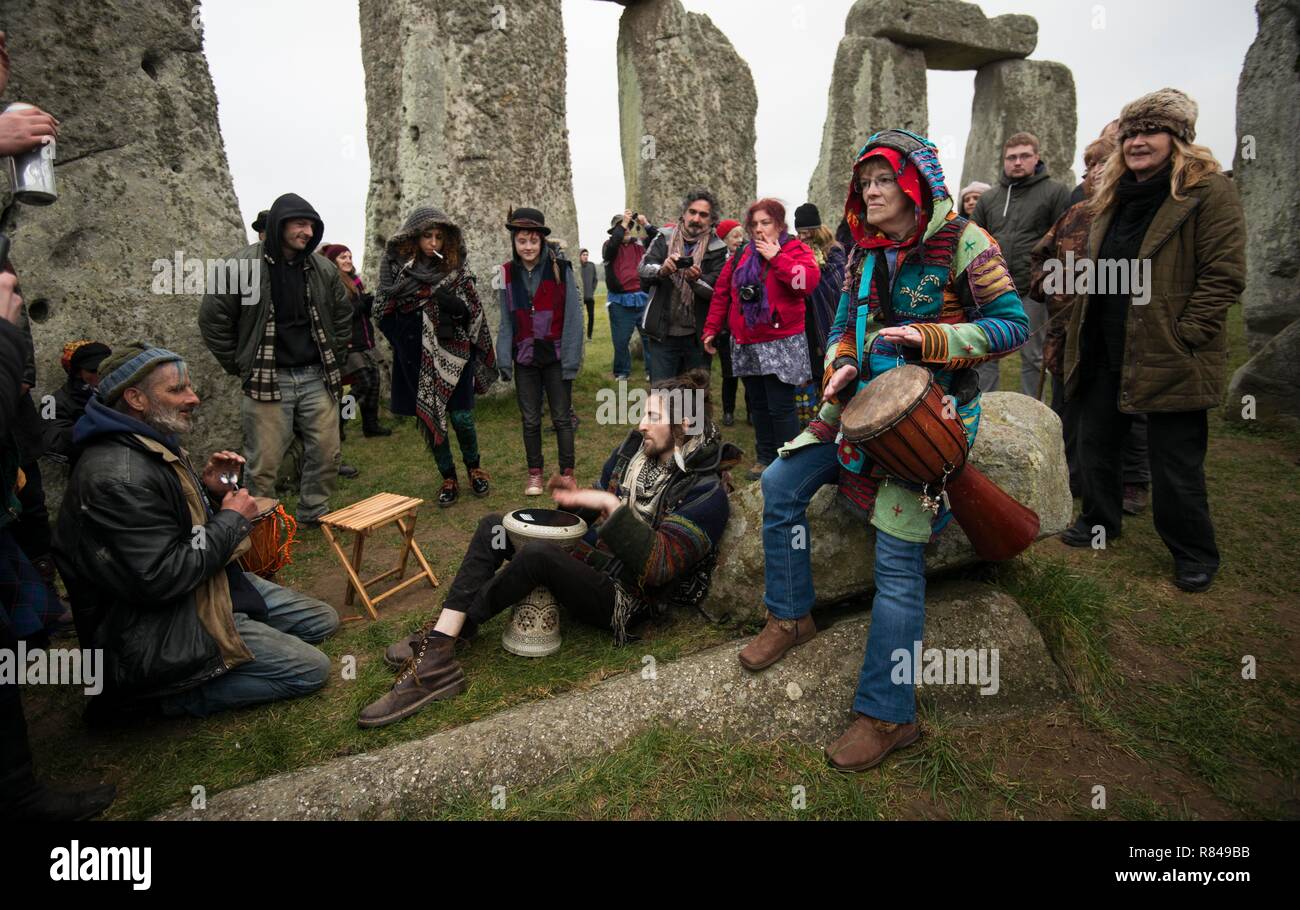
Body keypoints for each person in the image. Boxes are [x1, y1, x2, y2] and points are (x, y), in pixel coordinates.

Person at [742, 129, 1028, 771]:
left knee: (898, 564)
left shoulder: (967, 242)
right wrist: (840, 368)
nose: (869, 191)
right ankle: (791, 616)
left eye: (882, 180)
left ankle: (889, 715)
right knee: (781, 485)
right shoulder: (863, 253)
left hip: (931, 419)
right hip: (855, 411)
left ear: (914, 185)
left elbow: (1013, 324)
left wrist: (929, 338)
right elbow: (843, 326)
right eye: (864, 181)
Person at [358, 369, 738, 727]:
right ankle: (444, 640)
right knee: (496, 526)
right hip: (596, 560)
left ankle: (443, 645)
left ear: (685, 424)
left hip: (628, 598)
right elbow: (591, 511)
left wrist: (609, 507)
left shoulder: (707, 493)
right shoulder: (635, 452)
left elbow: (659, 567)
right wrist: (574, 503)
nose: (640, 424)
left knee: (539, 556)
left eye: (652, 416)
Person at [52, 344, 340, 720]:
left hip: (206, 585)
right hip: (159, 624)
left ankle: (239, 629)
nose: (194, 398)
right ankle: (146, 701)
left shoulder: (147, 440)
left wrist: (208, 493)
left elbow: (169, 526)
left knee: (323, 621)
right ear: (135, 398)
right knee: (309, 670)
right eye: (177, 390)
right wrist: (232, 520)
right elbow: (161, 576)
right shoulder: (116, 476)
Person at [1059, 89, 1245, 594]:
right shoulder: (1114, 196)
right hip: (1104, 341)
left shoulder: (1207, 192)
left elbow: (1223, 275)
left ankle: (1192, 552)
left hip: (1169, 347)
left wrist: (1189, 333)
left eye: (1151, 131)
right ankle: (1099, 523)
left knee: (1175, 460)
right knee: (1098, 443)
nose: (1138, 142)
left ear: (1178, 137)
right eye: (1132, 133)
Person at [0, 260, 116, 821]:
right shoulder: (73, 413)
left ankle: (43, 657)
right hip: (75, 502)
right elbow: (51, 434)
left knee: (40, 576)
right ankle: (102, 694)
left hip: (25, 497)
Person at [199, 193, 352, 528]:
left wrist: (335, 357)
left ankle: (314, 513)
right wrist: (240, 365)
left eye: (311, 224)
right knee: (263, 462)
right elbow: (213, 321)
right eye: (299, 223)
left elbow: (343, 315)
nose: (308, 231)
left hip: (316, 375)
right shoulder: (240, 267)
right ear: (279, 224)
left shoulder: (321, 267)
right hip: (267, 377)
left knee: (327, 453)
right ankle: (261, 523)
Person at [1030, 135, 1150, 508]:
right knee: (1069, 408)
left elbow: (1148, 276)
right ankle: (1070, 477)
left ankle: (1132, 480)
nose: (1095, 172)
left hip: (1121, 334)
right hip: (1067, 333)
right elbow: (1040, 258)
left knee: (1127, 411)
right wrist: (1051, 284)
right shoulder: (1076, 214)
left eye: (1103, 163)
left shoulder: (1140, 214)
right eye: (1090, 165)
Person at [375, 207, 497, 506]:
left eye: (438, 237)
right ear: (414, 238)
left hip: (456, 353)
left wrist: (457, 307)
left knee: (462, 417)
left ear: (448, 240)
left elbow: (474, 312)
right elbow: (381, 310)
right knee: (434, 421)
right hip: (416, 358)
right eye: (426, 236)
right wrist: (405, 340)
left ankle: (475, 468)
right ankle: (448, 477)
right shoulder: (397, 271)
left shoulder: (457, 269)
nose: (433, 242)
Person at [703, 199, 820, 480]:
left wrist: (777, 257)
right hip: (746, 341)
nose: (759, 229)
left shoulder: (795, 249)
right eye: (754, 224)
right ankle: (765, 457)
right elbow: (722, 292)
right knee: (757, 405)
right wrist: (711, 327)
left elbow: (806, 284)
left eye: (765, 223)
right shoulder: (743, 253)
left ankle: (790, 463)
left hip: (781, 341)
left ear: (779, 224)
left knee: (780, 406)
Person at [970, 132, 1072, 396]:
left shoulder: (1056, 192)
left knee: (1033, 356)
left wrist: (1052, 283)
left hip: (1033, 289)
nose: (1017, 162)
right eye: (1011, 157)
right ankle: (986, 405)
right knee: (987, 351)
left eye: (1024, 156)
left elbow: (1064, 240)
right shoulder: (989, 198)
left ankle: (1030, 411)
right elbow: (973, 241)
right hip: (993, 288)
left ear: (1036, 158)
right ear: (1003, 161)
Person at [495, 207, 584, 496]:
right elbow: (506, 318)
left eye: (533, 241)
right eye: (522, 241)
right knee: (530, 419)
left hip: (555, 356)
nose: (528, 247)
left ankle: (567, 474)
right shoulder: (507, 274)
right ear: (514, 242)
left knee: (561, 417)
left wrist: (571, 359)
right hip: (525, 358)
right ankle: (535, 474)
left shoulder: (562, 268)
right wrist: (504, 359)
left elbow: (572, 316)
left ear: (542, 241)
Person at [638, 188, 728, 381]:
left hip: (697, 336)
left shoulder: (718, 249)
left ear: (712, 220)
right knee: (661, 395)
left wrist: (695, 281)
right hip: (663, 332)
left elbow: (719, 292)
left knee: (693, 400)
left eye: (703, 215)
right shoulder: (664, 237)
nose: (696, 219)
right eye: (692, 212)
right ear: (684, 213)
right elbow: (643, 267)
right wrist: (662, 270)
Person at [322, 243, 390, 438]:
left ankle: (371, 425)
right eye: (343, 257)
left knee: (374, 383)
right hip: (350, 343)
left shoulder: (354, 281)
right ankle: (341, 421)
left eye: (350, 257)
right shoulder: (333, 282)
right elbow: (341, 313)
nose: (348, 260)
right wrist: (362, 304)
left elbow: (360, 311)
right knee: (362, 385)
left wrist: (367, 304)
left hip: (365, 340)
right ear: (333, 261)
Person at [795, 202, 849, 425]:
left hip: (825, 320)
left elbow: (835, 285)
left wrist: (814, 271)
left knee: (824, 366)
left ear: (816, 229)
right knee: (807, 368)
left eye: (807, 232)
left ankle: (831, 416)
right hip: (804, 323)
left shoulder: (834, 251)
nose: (803, 237)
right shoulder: (796, 249)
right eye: (800, 232)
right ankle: (809, 418)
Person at [601, 210, 656, 380]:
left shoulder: (640, 244)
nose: (626, 230)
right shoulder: (608, 246)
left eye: (628, 226)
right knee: (621, 340)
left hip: (642, 298)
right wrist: (623, 222)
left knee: (649, 338)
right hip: (620, 302)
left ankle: (651, 371)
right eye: (622, 228)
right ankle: (622, 372)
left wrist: (645, 223)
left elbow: (659, 239)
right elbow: (612, 245)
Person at [41, 339, 111, 465]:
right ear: (78, 373)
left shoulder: (123, 390)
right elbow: (52, 443)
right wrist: (91, 423)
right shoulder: (52, 402)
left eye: (105, 367)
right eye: (93, 370)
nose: (100, 374)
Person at [714, 218, 746, 426]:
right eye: (735, 236)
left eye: (741, 235)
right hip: (726, 326)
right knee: (729, 373)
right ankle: (728, 411)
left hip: (745, 324)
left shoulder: (749, 256)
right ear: (724, 239)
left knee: (750, 372)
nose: (739, 240)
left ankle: (753, 412)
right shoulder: (717, 261)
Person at [579, 248, 599, 340]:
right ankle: (580, 335)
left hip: (590, 296)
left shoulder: (591, 265)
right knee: (579, 317)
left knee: (591, 316)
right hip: (580, 297)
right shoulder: (577, 267)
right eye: (584, 255)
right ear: (579, 256)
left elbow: (595, 279)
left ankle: (589, 336)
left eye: (587, 255)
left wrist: (592, 289)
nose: (586, 256)